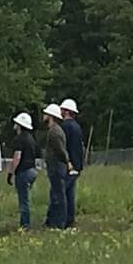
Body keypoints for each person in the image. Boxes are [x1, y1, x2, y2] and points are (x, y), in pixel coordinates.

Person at [7, 112, 37, 230]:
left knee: (23, 200)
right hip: (32, 170)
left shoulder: (19, 139)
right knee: (26, 198)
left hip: (23, 171)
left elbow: (17, 157)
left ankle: (25, 225)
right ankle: (25, 223)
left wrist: (11, 173)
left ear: (19, 125)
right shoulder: (30, 138)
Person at [42, 103, 69, 229]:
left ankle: (59, 222)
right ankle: (54, 221)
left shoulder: (54, 132)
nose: (44, 116)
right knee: (56, 193)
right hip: (56, 166)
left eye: (46, 114)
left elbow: (60, 150)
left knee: (58, 194)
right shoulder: (56, 130)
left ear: (51, 116)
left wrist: (66, 161)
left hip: (56, 166)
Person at [60, 98, 84, 228]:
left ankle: (61, 220)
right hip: (77, 165)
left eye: (62, 110)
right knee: (70, 194)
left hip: (68, 165)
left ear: (67, 111)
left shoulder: (65, 127)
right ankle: (70, 220)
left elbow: (63, 146)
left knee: (61, 193)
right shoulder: (77, 127)